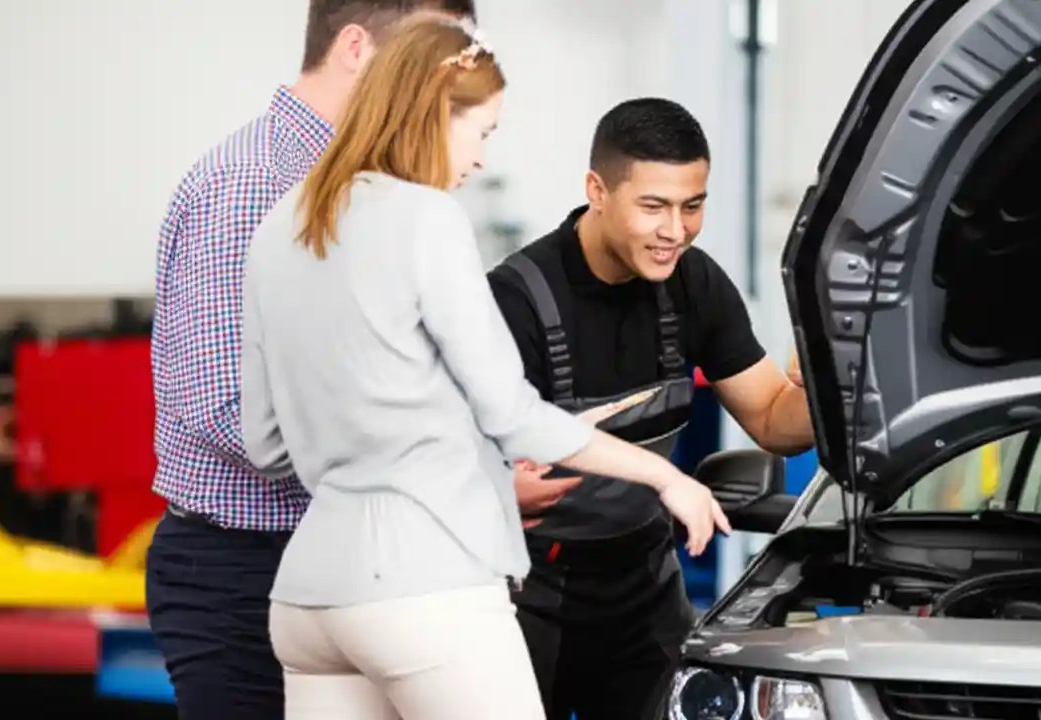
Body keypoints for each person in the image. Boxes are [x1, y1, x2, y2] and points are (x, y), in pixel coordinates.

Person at [238, 16, 730, 720]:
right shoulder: (425, 217)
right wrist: (665, 474)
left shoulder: (281, 223)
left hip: (310, 599)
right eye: (484, 131)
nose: (480, 157)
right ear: (437, 115)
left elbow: (265, 443)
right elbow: (513, 414)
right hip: (425, 586)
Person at [144, 2, 475, 718]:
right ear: (356, 48)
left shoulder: (372, 193)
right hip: (245, 568)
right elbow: (226, 407)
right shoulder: (251, 188)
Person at [487, 97, 816, 720]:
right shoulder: (515, 301)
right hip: (525, 594)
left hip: (644, 590)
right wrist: (499, 492)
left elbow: (776, 424)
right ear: (598, 191)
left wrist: (819, 381)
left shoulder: (695, 284)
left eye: (692, 206)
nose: (676, 231)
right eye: (654, 206)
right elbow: (455, 468)